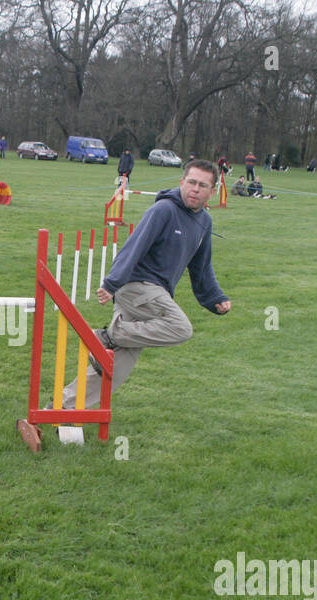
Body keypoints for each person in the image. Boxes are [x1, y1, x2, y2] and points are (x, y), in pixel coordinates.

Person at [36, 159, 230, 438]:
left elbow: (201, 268)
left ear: (212, 191)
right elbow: (135, 245)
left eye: (203, 185)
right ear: (181, 183)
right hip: (137, 286)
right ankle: (112, 333)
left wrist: (215, 298)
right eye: (191, 182)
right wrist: (112, 283)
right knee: (181, 328)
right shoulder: (164, 210)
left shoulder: (204, 222)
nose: (195, 189)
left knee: (115, 369)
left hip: (154, 295)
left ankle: (59, 409)